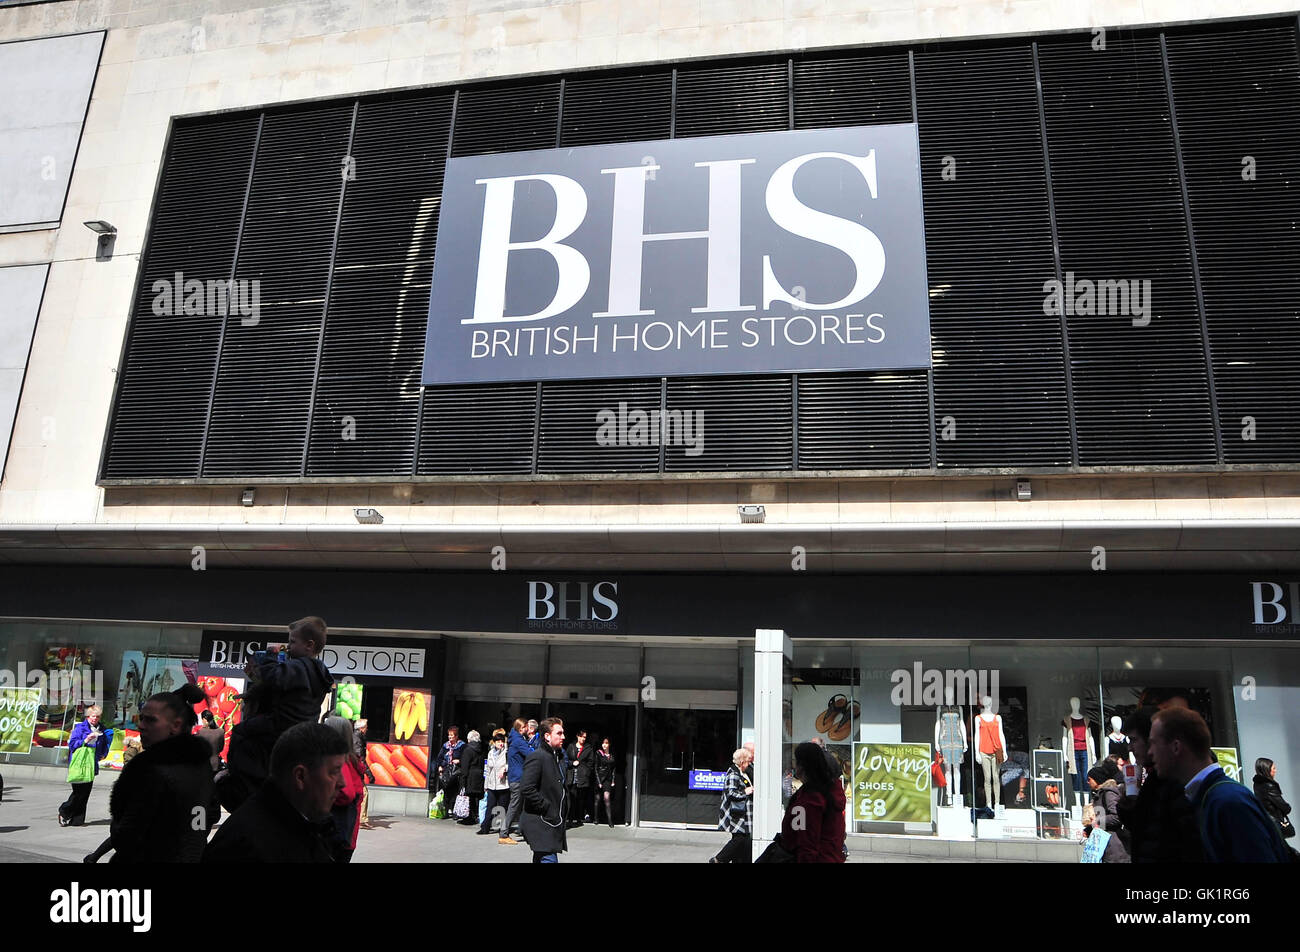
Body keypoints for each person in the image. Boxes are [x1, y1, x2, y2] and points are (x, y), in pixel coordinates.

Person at [220, 617, 334, 813]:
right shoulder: (318, 671)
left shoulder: (299, 666)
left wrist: (270, 657)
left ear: (309, 645)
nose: (288, 647)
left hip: (279, 724)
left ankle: (232, 775)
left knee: (240, 731)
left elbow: (274, 677)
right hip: (299, 729)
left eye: (292, 642)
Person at [92, 684, 215, 863]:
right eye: (141, 718)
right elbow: (205, 814)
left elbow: (127, 832)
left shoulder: (150, 769)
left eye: (151, 720)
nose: (141, 726)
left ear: (176, 725)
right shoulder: (200, 766)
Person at [1148, 707, 1289, 863]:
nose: (1150, 752)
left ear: (1176, 747)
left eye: (1154, 743)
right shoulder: (1210, 797)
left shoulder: (1228, 801)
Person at [202, 721, 347, 863]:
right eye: (334, 772)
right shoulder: (247, 844)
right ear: (300, 776)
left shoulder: (309, 826)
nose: (342, 783)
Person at [1115, 707, 1204, 864]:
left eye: (1134, 740)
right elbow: (1150, 831)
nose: (1130, 748)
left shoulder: (1175, 780)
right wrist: (1129, 807)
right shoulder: (1156, 778)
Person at [780, 742, 846, 863]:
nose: (795, 767)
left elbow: (804, 842)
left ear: (803, 767)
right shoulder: (830, 792)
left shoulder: (809, 799)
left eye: (796, 762)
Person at [519, 716, 567, 863]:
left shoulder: (556, 757)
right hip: (541, 822)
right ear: (547, 736)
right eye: (559, 733)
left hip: (551, 822)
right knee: (548, 858)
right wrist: (546, 807)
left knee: (542, 857)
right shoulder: (538, 757)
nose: (563, 737)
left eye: (563, 733)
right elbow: (526, 788)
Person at [59, 705, 113, 827]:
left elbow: (104, 745)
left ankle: (77, 820)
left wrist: (102, 754)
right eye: (93, 716)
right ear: (88, 716)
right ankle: (64, 811)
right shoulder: (80, 728)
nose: (95, 719)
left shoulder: (102, 730)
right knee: (78, 793)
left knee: (85, 793)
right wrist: (86, 740)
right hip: (80, 764)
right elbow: (72, 745)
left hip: (91, 764)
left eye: (97, 716)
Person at [323, 716, 366, 863]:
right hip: (346, 834)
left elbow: (346, 794)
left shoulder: (342, 762)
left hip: (336, 834)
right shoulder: (351, 759)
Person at [711, 747, 753, 863]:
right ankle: (719, 859)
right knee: (740, 839)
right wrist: (745, 792)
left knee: (743, 840)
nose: (749, 764)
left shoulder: (741, 773)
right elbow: (730, 793)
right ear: (742, 761)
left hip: (742, 814)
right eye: (748, 761)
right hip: (737, 814)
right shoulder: (733, 774)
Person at [1085, 764, 1130, 861]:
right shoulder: (1100, 794)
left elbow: (1117, 816)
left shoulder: (1109, 793)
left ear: (1097, 779)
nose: (1087, 782)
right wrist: (1089, 829)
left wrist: (1097, 820)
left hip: (1115, 847)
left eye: (1089, 779)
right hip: (1106, 845)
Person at [501, 717, 531, 843]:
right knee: (514, 806)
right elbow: (530, 753)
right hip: (518, 778)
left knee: (519, 806)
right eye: (526, 727)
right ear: (521, 728)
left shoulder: (515, 739)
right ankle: (503, 834)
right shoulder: (519, 741)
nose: (528, 729)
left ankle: (523, 830)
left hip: (515, 777)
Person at [1253, 757, 1294, 842]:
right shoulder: (1269, 786)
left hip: (1266, 823)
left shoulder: (1257, 784)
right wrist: (1288, 808)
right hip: (1275, 824)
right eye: (1273, 768)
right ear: (1266, 769)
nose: (1275, 771)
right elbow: (1284, 806)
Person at [479, 729, 511, 835]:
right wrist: (486, 784)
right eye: (498, 742)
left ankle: (502, 829)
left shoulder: (507, 752)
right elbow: (488, 769)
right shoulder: (491, 753)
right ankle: (485, 827)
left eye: (502, 741)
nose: (500, 743)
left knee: (502, 807)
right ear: (494, 743)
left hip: (503, 784)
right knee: (490, 806)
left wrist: (505, 769)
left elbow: (512, 764)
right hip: (492, 784)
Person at [566, 729, 596, 826]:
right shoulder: (571, 746)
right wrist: (572, 763)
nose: (583, 739)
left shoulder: (588, 748)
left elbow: (591, 763)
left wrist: (586, 771)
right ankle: (570, 818)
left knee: (581, 799)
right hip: (572, 776)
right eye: (581, 736)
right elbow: (565, 759)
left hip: (582, 777)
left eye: (584, 737)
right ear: (577, 736)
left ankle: (579, 818)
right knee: (571, 798)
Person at [458, 729, 485, 826]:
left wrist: (463, 780)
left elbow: (465, 767)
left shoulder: (468, 750)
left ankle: (468, 817)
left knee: (468, 797)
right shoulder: (481, 749)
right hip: (479, 775)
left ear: (469, 739)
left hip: (470, 776)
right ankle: (475, 815)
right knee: (476, 798)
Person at [436, 726, 464, 819]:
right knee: (446, 791)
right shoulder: (445, 746)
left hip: (456, 772)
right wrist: (440, 766)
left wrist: (459, 761)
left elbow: (465, 758)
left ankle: (455, 811)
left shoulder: (461, 746)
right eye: (449, 735)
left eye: (451, 735)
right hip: (447, 771)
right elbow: (440, 757)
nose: (450, 737)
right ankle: (446, 810)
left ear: (456, 736)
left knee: (456, 791)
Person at [594, 737, 617, 827]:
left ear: (609, 744)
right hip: (599, 778)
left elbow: (614, 768)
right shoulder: (598, 753)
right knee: (597, 799)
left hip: (608, 779)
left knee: (606, 798)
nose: (604, 745)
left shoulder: (612, 755)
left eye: (606, 743)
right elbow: (596, 768)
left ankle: (610, 820)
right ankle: (596, 818)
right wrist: (598, 781)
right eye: (603, 743)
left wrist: (613, 780)